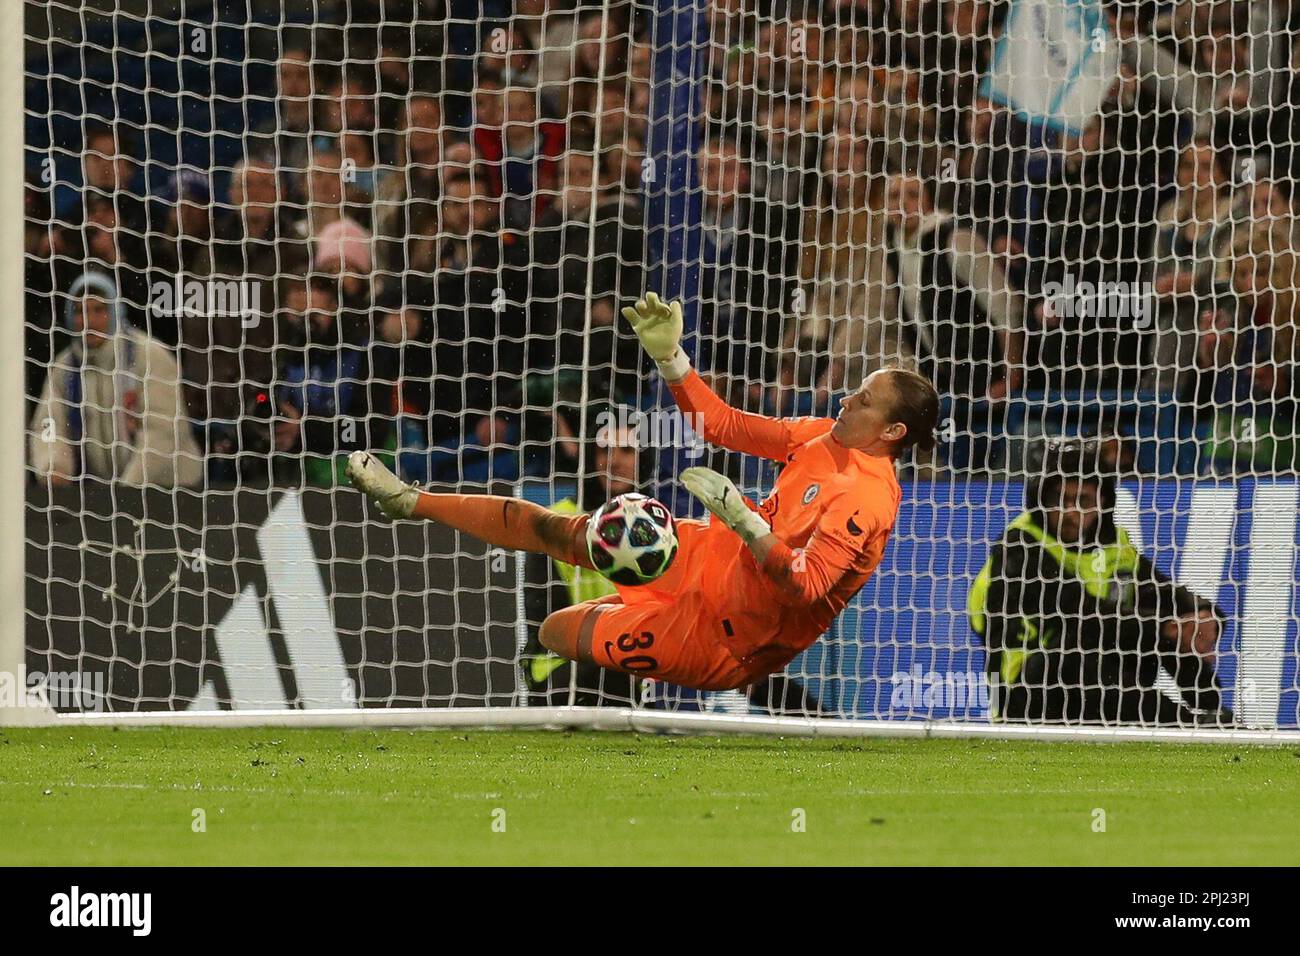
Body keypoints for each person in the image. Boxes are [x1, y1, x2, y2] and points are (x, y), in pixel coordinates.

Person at [347, 292, 939, 692]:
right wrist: (671, 357)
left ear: (892, 432)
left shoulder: (868, 499)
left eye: (863, 400)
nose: (845, 400)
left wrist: (746, 521)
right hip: (706, 556)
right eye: (854, 390)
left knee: (557, 631)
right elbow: (723, 426)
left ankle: (624, 686)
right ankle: (408, 499)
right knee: (565, 533)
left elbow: (806, 586)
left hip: (728, 636)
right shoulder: (817, 436)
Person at [968, 439, 1232, 726]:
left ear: (1102, 501)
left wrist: (1205, 615)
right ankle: (1182, 723)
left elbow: (1163, 592)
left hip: (1098, 683)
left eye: (1083, 501)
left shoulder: (1115, 545)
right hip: (1025, 696)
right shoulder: (1019, 545)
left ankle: (1217, 717)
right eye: (1061, 500)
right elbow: (1079, 614)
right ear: (1041, 499)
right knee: (1085, 644)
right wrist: (1163, 628)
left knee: (1171, 625)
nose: (1071, 512)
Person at [30, 270, 203, 489]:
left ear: (114, 311)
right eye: (79, 311)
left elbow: (162, 432)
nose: (88, 320)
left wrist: (127, 489)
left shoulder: (149, 356)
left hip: (171, 488)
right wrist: (54, 466)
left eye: (98, 310)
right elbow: (48, 425)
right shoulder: (64, 367)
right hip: (109, 496)